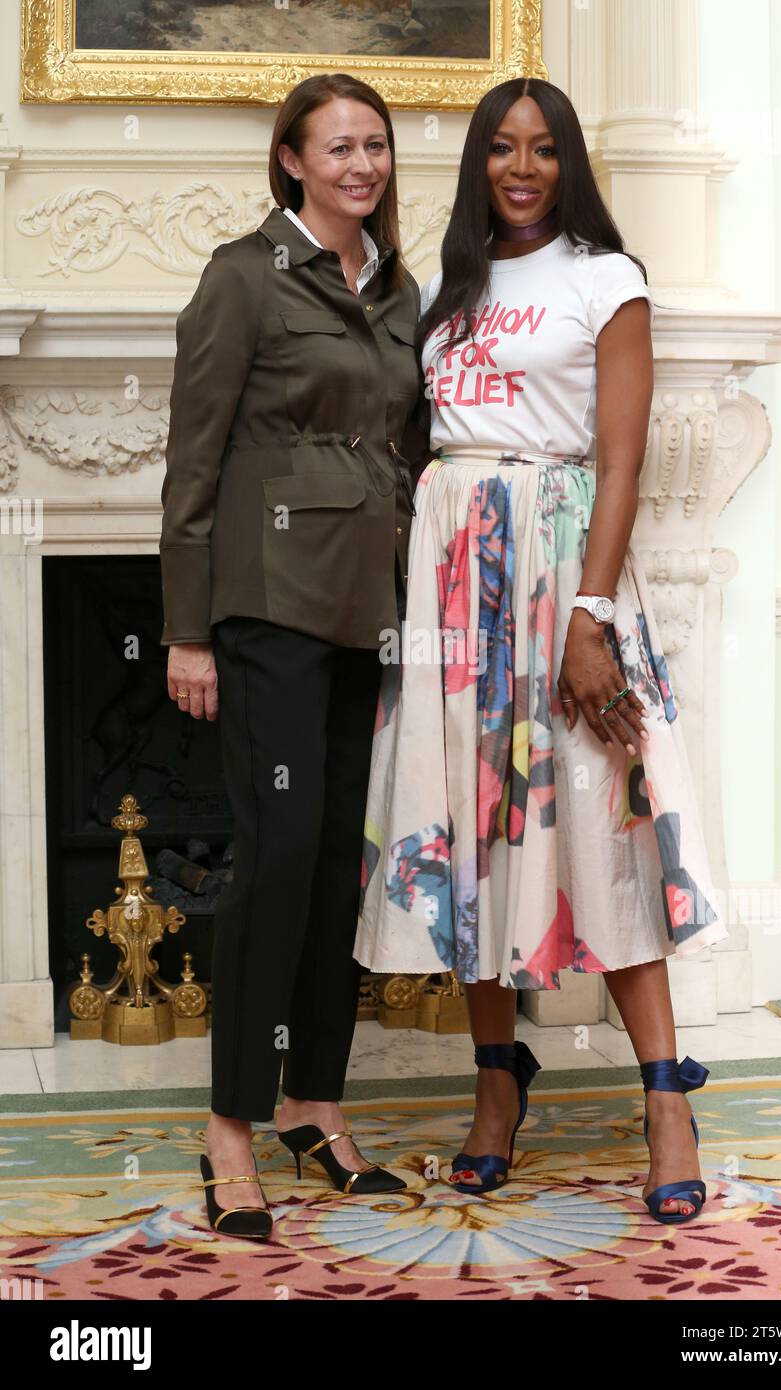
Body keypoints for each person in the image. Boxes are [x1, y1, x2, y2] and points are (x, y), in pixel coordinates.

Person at [355, 77, 728, 1225]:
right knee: (467, 831)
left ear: (568, 163)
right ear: (478, 163)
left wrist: (589, 618)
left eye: (544, 150)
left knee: (605, 828)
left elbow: (617, 463)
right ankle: (495, 1083)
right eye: (502, 149)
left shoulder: (605, 280)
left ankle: (665, 1096)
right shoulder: (446, 288)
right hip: (453, 591)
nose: (521, 167)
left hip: (560, 573)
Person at [160, 72, 425, 1238]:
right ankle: (228, 1126)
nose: (360, 164)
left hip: (366, 606)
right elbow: (192, 463)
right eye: (337, 148)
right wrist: (184, 629)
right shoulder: (243, 277)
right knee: (275, 858)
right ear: (290, 161)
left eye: (374, 145)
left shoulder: (397, 286)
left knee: (332, 867)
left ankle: (310, 1102)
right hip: (265, 607)